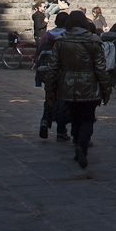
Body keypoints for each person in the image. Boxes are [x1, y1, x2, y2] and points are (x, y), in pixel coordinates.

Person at [43, 10, 111, 168]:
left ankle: (77, 141)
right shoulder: (93, 40)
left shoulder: (61, 40)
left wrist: (50, 88)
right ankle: (81, 145)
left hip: (67, 85)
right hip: (89, 85)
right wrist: (106, 88)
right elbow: (101, 69)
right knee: (87, 118)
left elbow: (52, 68)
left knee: (75, 115)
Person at [36, 12, 71, 141]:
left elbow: (39, 53)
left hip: (48, 72)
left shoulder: (47, 35)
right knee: (62, 102)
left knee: (50, 98)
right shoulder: (68, 36)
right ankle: (61, 131)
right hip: (63, 73)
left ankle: (45, 121)